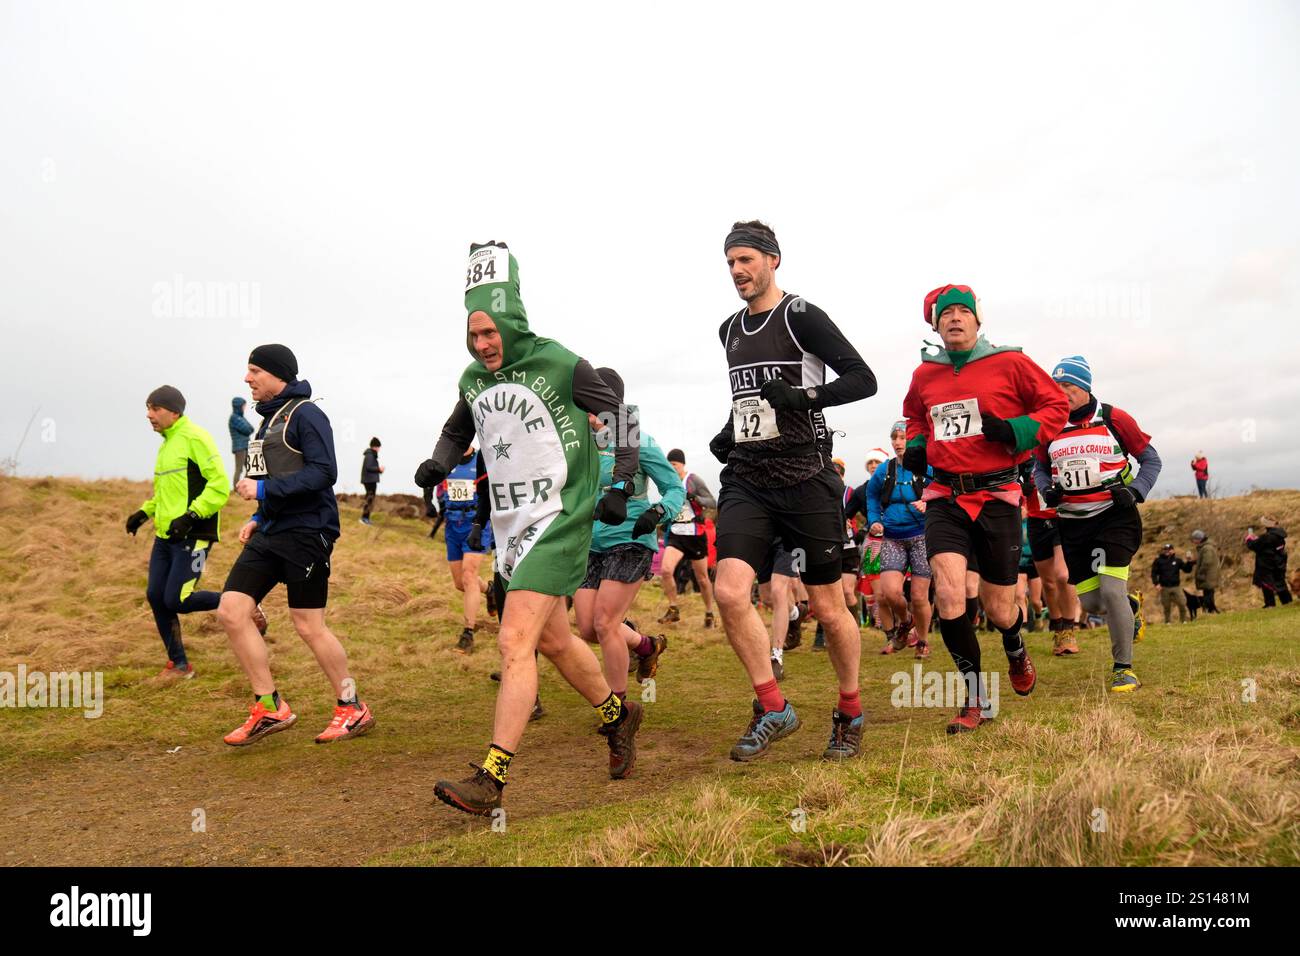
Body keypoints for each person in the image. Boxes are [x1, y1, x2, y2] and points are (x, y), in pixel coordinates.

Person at [416, 242, 642, 815]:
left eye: (491, 332)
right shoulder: (473, 377)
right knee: (554, 640)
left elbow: (621, 418)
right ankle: (619, 716)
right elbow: (455, 429)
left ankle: (491, 778)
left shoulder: (561, 363)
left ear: (512, 322)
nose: (483, 345)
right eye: (474, 335)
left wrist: (619, 484)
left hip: (560, 520)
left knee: (513, 641)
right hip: (511, 526)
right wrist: (439, 464)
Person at [710, 220, 878, 761]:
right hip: (749, 479)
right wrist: (730, 430)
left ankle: (850, 711)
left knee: (830, 607)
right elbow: (749, 396)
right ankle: (773, 705)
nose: (737, 270)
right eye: (730, 261)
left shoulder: (801, 316)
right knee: (731, 592)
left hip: (806, 478)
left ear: (772, 260)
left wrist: (804, 400)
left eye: (746, 260)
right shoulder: (729, 330)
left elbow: (862, 378)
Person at [903, 284, 1069, 733]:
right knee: (951, 594)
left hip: (997, 496)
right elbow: (915, 417)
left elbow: (1055, 403)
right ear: (935, 325)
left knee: (999, 608)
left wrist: (1015, 429)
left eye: (963, 312)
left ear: (978, 321)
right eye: (946, 314)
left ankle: (1014, 644)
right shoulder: (925, 375)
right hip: (945, 497)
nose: (955, 318)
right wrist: (916, 444)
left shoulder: (1010, 362)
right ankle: (975, 697)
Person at [217, 344, 375, 745]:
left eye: (254, 371)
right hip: (271, 532)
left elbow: (325, 473)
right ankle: (270, 706)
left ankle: (352, 707)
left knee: (308, 625)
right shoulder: (265, 424)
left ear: (277, 374)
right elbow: (275, 479)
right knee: (232, 610)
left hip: (308, 532)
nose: (247, 379)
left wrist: (264, 490)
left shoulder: (307, 414)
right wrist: (257, 517)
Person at [1034, 355, 1162, 692]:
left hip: (1113, 517)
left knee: (1110, 589)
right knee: (1093, 604)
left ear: (1085, 387)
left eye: (1068, 386)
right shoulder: (1049, 425)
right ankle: (1130, 607)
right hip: (1073, 523)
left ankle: (1124, 668)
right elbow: (1039, 467)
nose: (1061, 393)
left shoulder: (1113, 418)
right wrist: (1045, 487)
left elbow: (1150, 458)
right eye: (1056, 386)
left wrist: (1135, 491)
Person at [573, 368, 681, 699]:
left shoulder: (640, 442)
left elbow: (674, 489)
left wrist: (656, 514)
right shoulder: (581, 444)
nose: (588, 410)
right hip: (591, 544)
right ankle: (646, 646)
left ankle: (618, 707)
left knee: (606, 623)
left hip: (631, 541)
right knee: (589, 628)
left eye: (595, 402)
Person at [126, 385, 235, 679]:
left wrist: (190, 516)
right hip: (166, 536)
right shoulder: (166, 444)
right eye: (148, 408)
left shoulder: (195, 438)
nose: (149, 414)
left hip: (195, 534)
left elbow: (220, 486)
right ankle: (180, 665)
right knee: (155, 595)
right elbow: (167, 493)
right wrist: (144, 513)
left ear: (174, 411)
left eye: (155, 408)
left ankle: (242, 603)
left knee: (178, 599)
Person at [863, 424, 931, 658]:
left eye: (903, 437)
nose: (898, 442)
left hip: (921, 535)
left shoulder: (927, 465)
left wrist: (928, 501)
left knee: (919, 596)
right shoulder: (884, 470)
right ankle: (906, 620)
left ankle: (923, 641)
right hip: (892, 537)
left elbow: (943, 487)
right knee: (890, 593)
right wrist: (874, 519)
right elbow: (871, 496)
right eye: (894, 438)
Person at [1019, 459, 1082, 655]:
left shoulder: (1058, 449)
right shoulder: (1025, 455)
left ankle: (1069, 630)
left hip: (1061, 518)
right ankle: (1057, 628)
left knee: (1063, 575)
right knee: (1048, 582)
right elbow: (1010, 478)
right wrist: (1021, 486)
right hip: (1037, 522)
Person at [439, 445, 496, 652]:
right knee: (460, 583)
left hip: (476, 523)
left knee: (469, 574)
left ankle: (468, 633)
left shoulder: (481, 458)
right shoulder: (448, 459)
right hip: (452, 524)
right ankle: (490, 590)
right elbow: (435, 482)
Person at [658, 449, 718, 628]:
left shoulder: (692, 480)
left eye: (674, 464)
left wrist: (695, 498)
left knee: (701, 578)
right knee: (666, 570)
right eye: (669, 464)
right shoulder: (669, 483)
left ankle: (709, 613)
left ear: (682, 464)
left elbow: (712, 502)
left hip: (695, 534)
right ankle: (673, 608)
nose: (672, 467)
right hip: (676, 533)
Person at [1246, 518, 1292, 608]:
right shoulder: (1279, 535)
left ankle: (1270, 604)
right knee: (1280, 583)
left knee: (1267, 584)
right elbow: (1266, 545)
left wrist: (1249, 539)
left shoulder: (1267, 537)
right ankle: (1287, 602)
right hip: (1278, 563)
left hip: (1266, 564)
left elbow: (1253, 545)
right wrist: (1257, 539)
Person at [1150, 543, 1192, 624]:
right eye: (1165, 550)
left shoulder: (1177, 560)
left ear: (1173, 550)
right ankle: (1167, 622)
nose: (1167, 551)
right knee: (1166, 606)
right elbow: (1154, 573)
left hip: (1176, 586)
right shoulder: (1158, 561)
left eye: (1169, 550)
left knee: (1182, 603)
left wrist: (1189, 561)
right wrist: (1156, 583)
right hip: (1164, 587)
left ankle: (1183, 620)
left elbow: (1187, 570)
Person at [1190, 530, 1221, 614]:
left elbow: (1207, 562)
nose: (1193, 541)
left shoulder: (1206, 548)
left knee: (1208, 593)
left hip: (1208, 575)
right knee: (1208, 592)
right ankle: (1211, 610)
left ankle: (1208, 610)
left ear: (1199, 539)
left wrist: (1200, 572)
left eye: (1194, 539)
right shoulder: (1205, 547)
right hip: (1209, 575)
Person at [229, 396, 254, 487]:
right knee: (239, 469)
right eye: (243, 406)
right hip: (239, 447)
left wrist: (249, 428)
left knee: (250, 468)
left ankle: (245, 486)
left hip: (244, 446)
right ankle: (236, 488)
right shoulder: (234, 418)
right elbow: (247, 430)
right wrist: (248, 429)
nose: (244, 408)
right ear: (239, 406)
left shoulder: (240, 417)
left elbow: (251, 428)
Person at [358, 437, 383, 525]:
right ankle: (364, 518)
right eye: (378, 447)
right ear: (375, 446)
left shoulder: (371, 455)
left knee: (369, 499)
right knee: (369, 499)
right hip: (369, 481)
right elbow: (368, 467)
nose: (379, 449)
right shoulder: (370, 455)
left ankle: (366, 518)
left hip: (370, 480)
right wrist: (378, 469)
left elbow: (370, 468)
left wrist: (379, 471)